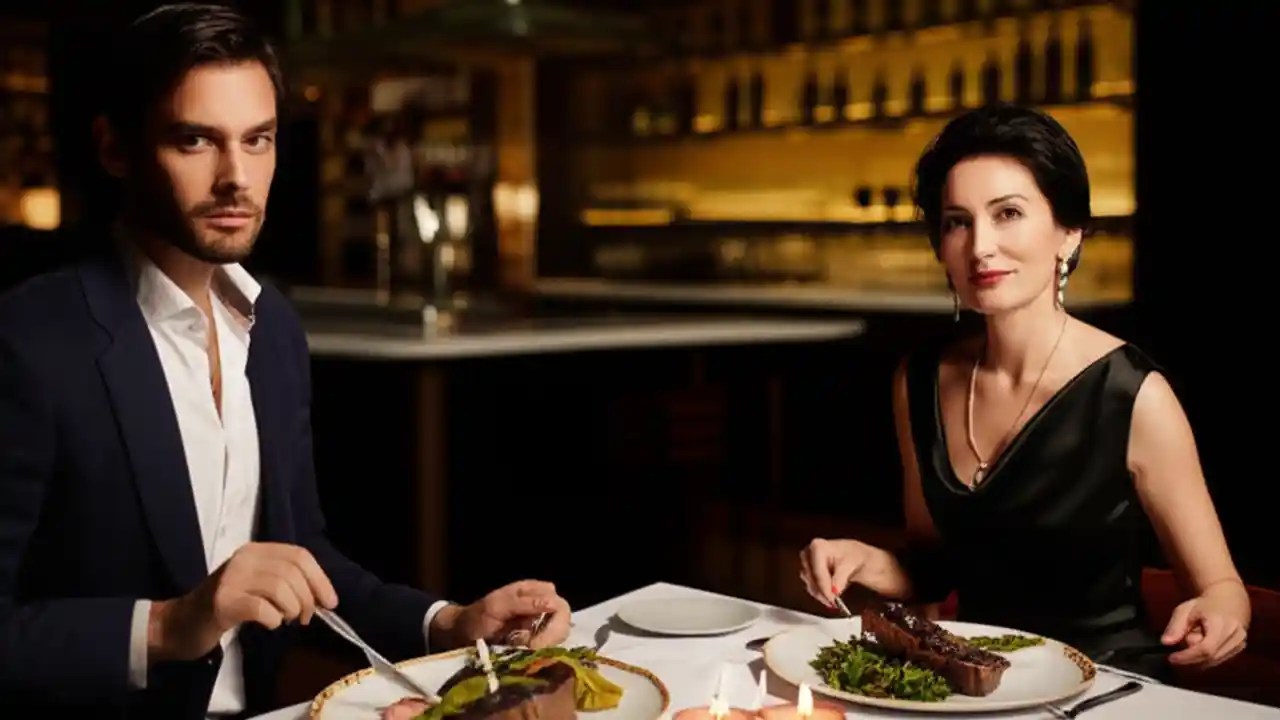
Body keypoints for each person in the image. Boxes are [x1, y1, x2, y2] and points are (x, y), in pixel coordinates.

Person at [0, 4, 570, 718]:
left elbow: (301, 559)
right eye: (195, 140)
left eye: (258, 140)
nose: (236, 176)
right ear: (117, 149)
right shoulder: (30, 340)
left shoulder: (271, 329)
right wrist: (171, 625)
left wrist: (447, 625)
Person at [799, 104, 1250, 681]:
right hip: (977, 683)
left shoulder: (1134, 395)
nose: (980, 245)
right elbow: (932, 569)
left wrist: (1220, 613)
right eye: (957, 221)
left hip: (1106, 687)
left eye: (1007, 213)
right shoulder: (918, 380)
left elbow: (1221, 588)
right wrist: (864, 560)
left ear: (1069, 232)